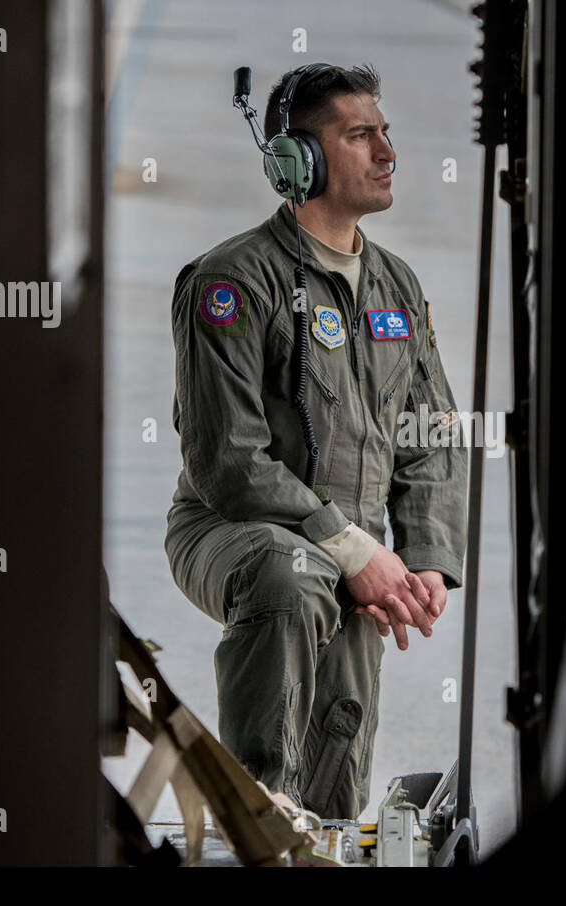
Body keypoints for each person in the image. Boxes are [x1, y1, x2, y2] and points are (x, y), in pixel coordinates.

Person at [164, 63, 468, 822]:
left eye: (385, 132)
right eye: (361, 135)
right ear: (295, 161)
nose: (387, 151)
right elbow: (228, 461)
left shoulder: (397, 285)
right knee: (293, 571)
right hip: (229, 528)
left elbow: (429, 435)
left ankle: (316, 827)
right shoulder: (231, 282)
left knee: (338, 773)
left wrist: (424, 556)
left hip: (353, 547)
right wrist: (356, 550)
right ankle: (260, 803)